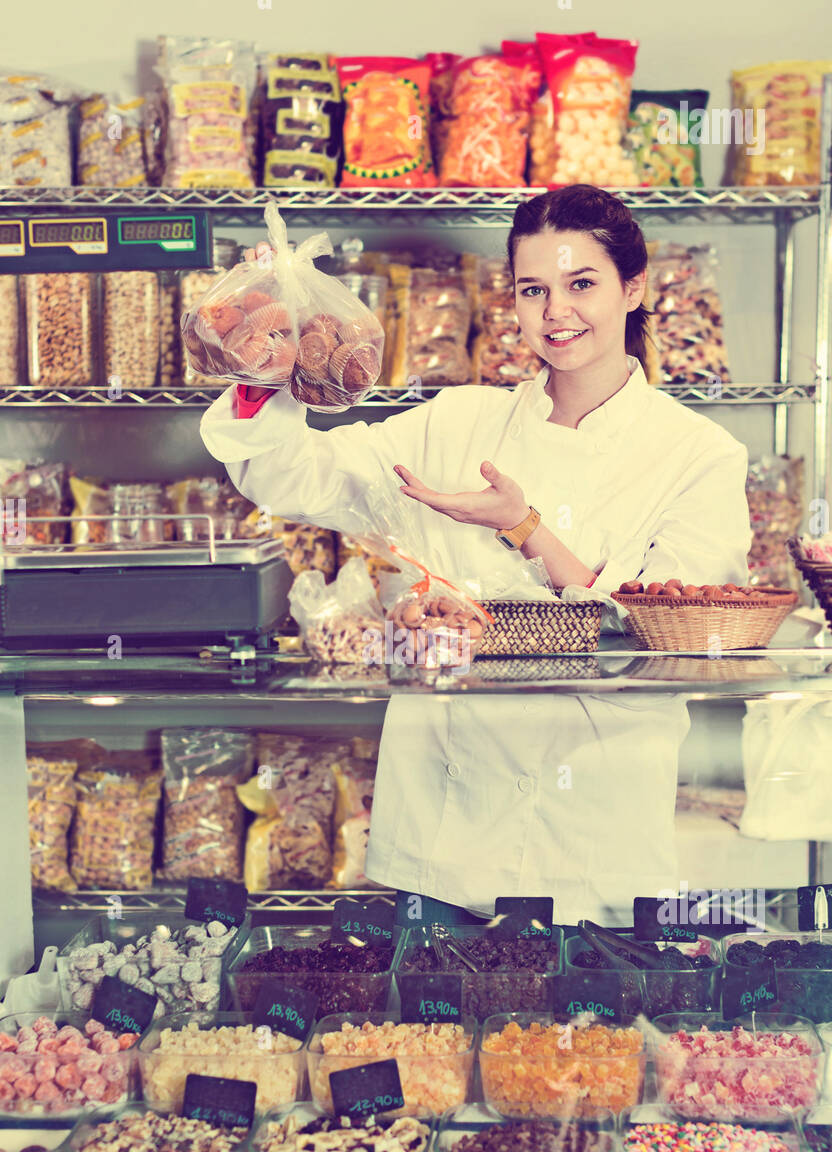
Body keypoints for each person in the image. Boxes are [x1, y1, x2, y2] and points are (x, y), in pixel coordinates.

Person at [201, 185, 752, 924]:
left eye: (581, 284)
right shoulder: (456, 422)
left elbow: (666, 633)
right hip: (444, 828)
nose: (556, 312)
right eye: (534, 290)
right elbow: (299, 475)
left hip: (597, 838)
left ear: (635, 287)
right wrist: (265, 360)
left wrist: (525, 527)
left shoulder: (700, 455)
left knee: (590, 1040)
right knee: (435, 1033)